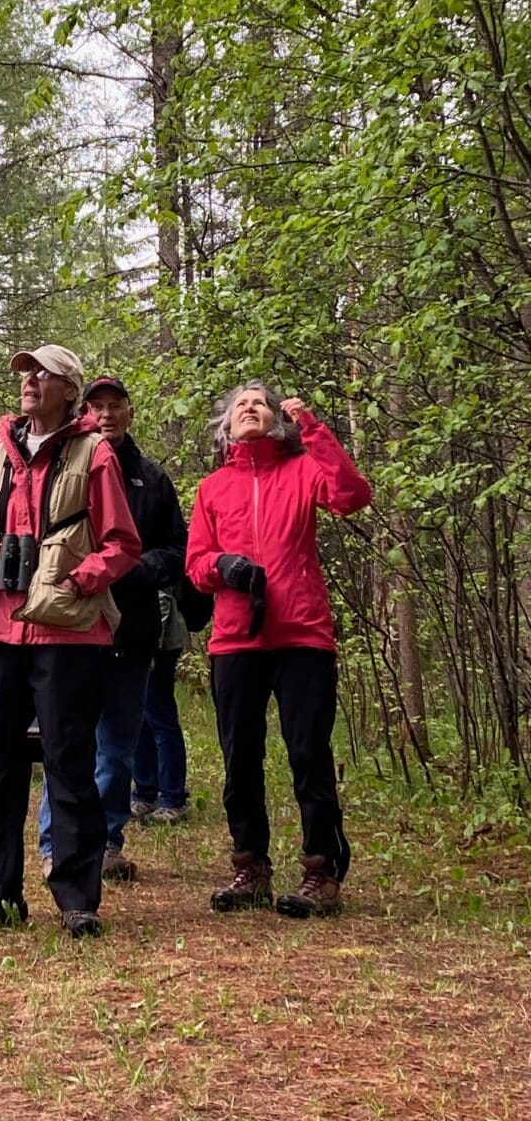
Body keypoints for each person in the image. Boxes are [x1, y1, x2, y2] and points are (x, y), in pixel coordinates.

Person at [0, 344, 141, 939]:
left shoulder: (95, 453)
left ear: (67, 389)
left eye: (42, 373)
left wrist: (79, 581)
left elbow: (122, 544)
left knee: (68, 761)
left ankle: (78, 899)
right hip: (2, 630)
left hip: (68, 632)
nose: (29, 381)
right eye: (26, 373)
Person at [186, 382, 371, 918]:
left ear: (277, 419)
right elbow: (196, 565)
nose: (249, 407)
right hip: (236, 637)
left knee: (308, 753)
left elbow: (352, 496)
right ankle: (250, 868)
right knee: (239, 756)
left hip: (302, 634)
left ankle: (322, 871)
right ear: (227, 425)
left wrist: (311, 427)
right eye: (240, 403)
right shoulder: (212, 488)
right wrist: (223, 566)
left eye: (260, 403)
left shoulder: (303, 469)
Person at [35, 375, 187, 883]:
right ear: (84, 410)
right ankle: (56, 843)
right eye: (96, 405)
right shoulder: (63, 464)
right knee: (65, 739)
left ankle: (107, 842)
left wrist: (135, 569)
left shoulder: (151, 478)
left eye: (114, 405)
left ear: (128, 413)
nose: (105, 414)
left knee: (118, 745)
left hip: (132, 627)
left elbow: (176, 551)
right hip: (70, 625)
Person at [130, 585, 192, 826]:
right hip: (140, 645)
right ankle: (145, 792)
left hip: (160, 646)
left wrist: (150, 647)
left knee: (160, 719)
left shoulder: (156, 554)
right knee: (141, 719)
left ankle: (173, 798)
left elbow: (161, 598)